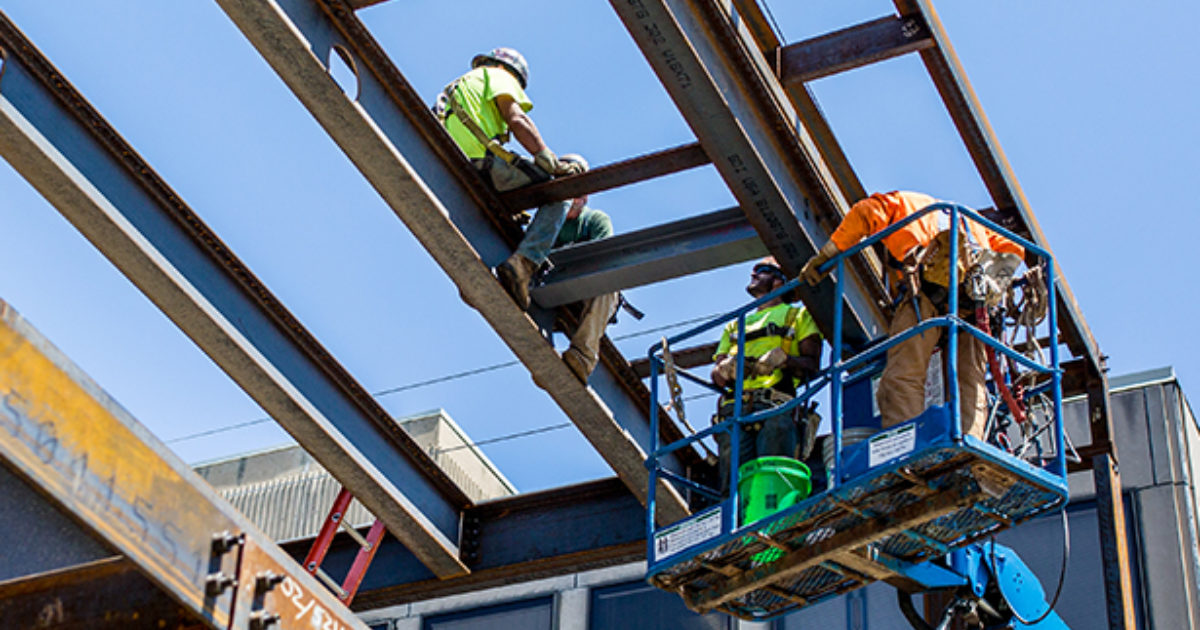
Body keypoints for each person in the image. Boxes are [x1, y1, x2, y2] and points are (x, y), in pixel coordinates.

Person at [798, 191, 1024, 441]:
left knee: (902, 375)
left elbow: (866, 212)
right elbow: (1013, 249)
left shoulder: (903, 203)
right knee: (970, 381)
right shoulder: (972, 222)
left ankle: (903, 444)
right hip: (974, 303)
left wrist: (827, 255)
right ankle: (970, 441)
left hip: (925, 292)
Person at [434, 47, 586, 312]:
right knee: (559, 193)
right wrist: (547, 158)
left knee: (508, 208)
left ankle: (486, 260)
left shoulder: (460, 86)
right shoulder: (499, 77)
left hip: (451, 162)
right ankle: (523, 265)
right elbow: (517, 118)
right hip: (481, 162)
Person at [710, 257, 822, 494]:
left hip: (775, 405)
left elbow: (812, 365)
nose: (753, 274)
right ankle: (740, 527)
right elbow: (717, 376)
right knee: (734, 485)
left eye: (761, 271)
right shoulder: (735, 325)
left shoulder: (797, 316)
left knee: (773, 477)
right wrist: (724, 369)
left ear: (778, 281)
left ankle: (774, 527)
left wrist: (784, 360)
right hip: (736, 409)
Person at [553, 191, 618, 381]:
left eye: (576, 195)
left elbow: (603, 258)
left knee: (607, 284)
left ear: (584, 199)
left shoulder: (595, 220)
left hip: (589, 288)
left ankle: (582, 356)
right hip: (559, 288)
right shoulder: (551, 219)